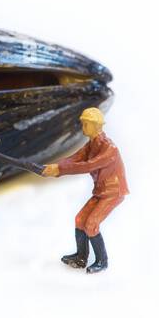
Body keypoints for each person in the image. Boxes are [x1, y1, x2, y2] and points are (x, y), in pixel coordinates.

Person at [44, 107, 127, 274]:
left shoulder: (110, 149)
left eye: (86, 124)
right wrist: (57, 166)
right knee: (80, 219)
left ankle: (102, 262)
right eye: (83, 124)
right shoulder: (91, 145)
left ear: (96, 125)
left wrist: (60, 170)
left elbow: (89, 165)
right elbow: (76, 158)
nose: (83, 128)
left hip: (113, 191)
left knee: (91, 224)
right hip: (100, 191)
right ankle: (81, 257)